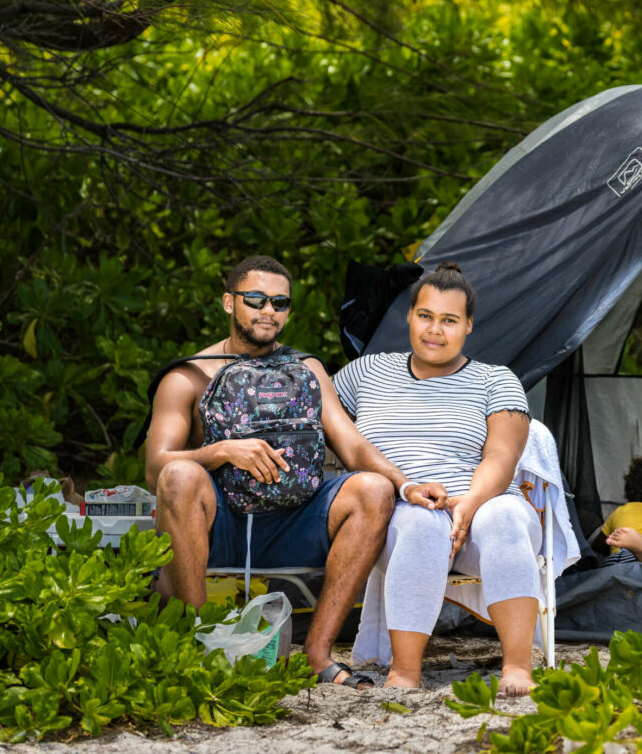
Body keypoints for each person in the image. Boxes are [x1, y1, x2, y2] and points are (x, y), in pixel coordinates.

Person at [145, 255, 446, 687]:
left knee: (374, 490)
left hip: (295, 522)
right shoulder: (188, 376)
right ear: (229, 303)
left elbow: (352, 445)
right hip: (219, 526)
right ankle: (199, 646)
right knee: (179, 476)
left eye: (280, 302)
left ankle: (317, 654)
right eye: (256, 299)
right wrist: (223, 450)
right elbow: (156, 465)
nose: (268, 310)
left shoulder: (307, 369)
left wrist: (406, 485)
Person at [334, 262, 540, 696]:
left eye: (449, 320)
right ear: (409, 316)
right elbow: (316, 415)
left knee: (504, 516)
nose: (435, 330)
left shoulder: (495, 380)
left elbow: (501, 457)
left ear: (468, 325)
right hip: (398, 515)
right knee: (421, 522)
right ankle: (406, 672)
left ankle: (518, 667)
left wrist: (469, 504)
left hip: (482, 509)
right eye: (426, 316)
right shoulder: (367, 372)